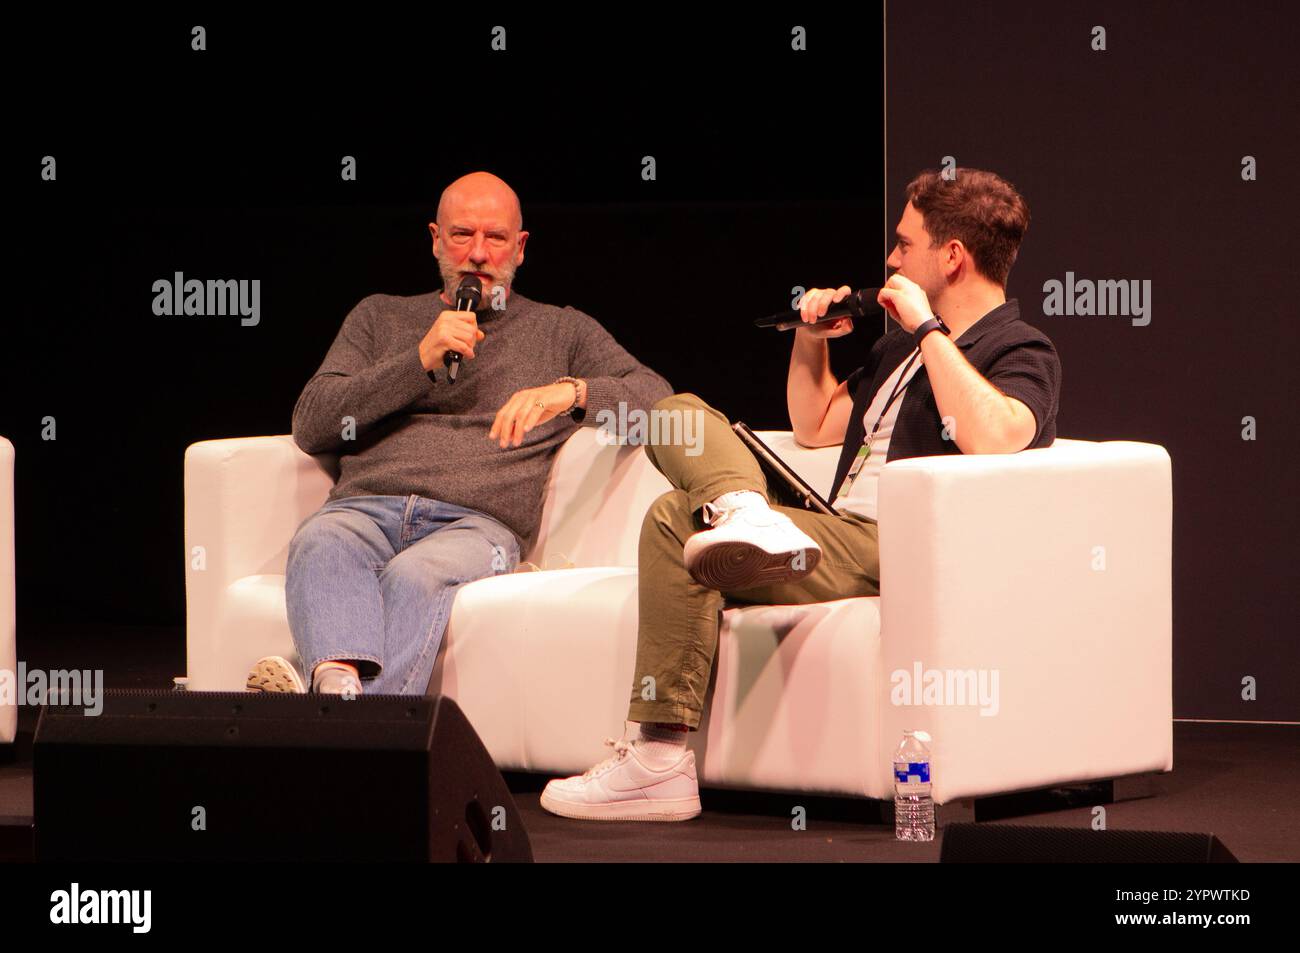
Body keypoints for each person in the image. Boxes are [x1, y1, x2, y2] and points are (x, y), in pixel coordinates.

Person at [540, 167, 1062, 821]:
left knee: (677, 520)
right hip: (832, 527)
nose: (891, 259)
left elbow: (998, 432)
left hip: (894, 546)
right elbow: (815, 423)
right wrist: (812, 343)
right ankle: (745, 511)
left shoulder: (1018, 347)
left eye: (904, 244)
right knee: (677, 414)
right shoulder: (898, 347)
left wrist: (931, 330)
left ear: (952, 256)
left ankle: (658, 761)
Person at [247, 171, 672, 697]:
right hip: (364, 510)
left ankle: (338, 720)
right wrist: (416, 362)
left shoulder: (562, 330)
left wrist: (571, 392)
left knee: (414, 576)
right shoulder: (380, 316)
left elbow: (658, 400)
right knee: (318, 540)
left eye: (494, 238)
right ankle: (338, 691)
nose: (477, 254)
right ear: (434, 240)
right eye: (461, 235)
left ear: (519, 248)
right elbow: (311, 423)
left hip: (477, 526)